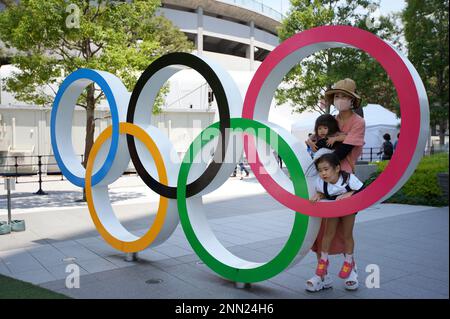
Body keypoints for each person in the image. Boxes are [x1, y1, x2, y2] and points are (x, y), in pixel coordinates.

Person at [305, 78, 366, 292]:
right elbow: (319, 135)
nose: (340, 100)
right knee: (321, 232)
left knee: (344, 230)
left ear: (352, 100)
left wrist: (320, 150)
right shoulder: (332, 119)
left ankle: (351, 269)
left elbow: (341, 154)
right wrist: (313, 141)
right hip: (324, 181)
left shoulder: (358, 122)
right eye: (337, 96)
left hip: (346, 182)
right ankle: (322, 275)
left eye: (344, 96)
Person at [307, 153, 364, 292]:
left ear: (337, 168)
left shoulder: (348, 178)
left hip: (349, 209)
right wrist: (318, 195)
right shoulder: (321, 182)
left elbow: (363, 190)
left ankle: (349, 262)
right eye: (320, 170)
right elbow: (323, 193)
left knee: (347, 235)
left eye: (326, 169)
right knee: (328, 234)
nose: (323, 173)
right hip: (333, 208)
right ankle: (323, 260)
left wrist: (349, 194)